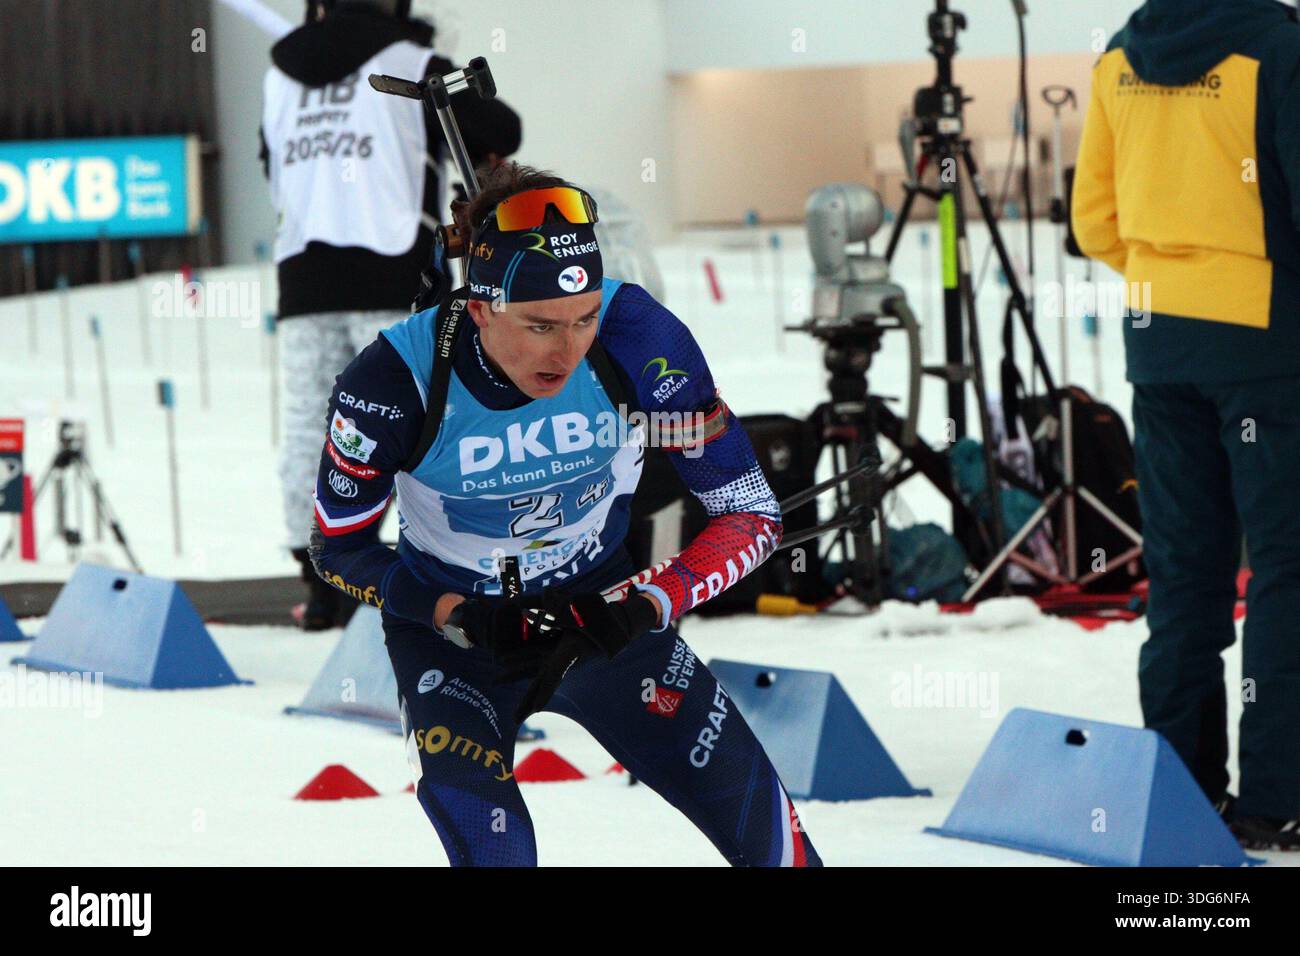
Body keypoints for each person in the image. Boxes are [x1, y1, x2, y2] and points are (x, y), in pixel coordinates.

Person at [307, 162, 822, 866]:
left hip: (606, 619)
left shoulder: (637, 338)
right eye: (541, 325)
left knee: (774, 844)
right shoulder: (394, 383)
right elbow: (337, 547)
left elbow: (749, 513)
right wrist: (455, 612)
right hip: (460, 640)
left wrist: (647, 604)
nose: (567, 350)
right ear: (481, 309)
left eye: (583, 319)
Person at [1073, 0, 1300, 850]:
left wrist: (1167, 289)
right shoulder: (1277, 50)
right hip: (1268, 350)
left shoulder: (1121, 57)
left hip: (1157, 345)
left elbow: (1093, 221)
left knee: (1183, 573)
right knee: (1285, 569)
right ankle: (1278, 801)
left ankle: (1183, 792)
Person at [260, 0, 521, 628]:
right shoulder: (412, 64)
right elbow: (500, 131)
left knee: (310, 427)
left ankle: (323, 578)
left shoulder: (277, 73)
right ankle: (420, 572)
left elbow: (270, 162)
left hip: (303, 273)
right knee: (411, 421)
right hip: (394, 265)